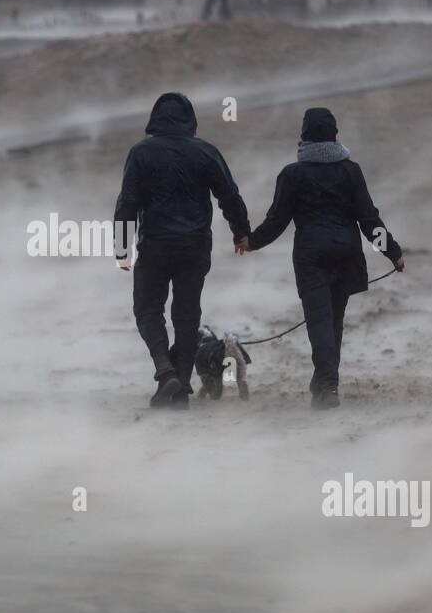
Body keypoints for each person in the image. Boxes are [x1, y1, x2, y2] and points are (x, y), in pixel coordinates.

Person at [241, 108, 404, 410]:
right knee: (334, 320)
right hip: (345, 253)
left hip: (311, 256)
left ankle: (327, 384)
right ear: (334, 134)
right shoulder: (350, 171)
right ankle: (326, 382)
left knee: (319, 320)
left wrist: (251, 242)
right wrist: (392, 252)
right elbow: (369, 219)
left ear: (304, 135)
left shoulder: (293, 174)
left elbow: (277, 220)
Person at [114, 93, 250, 408]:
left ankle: (165, 373)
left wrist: (122, 248)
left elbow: (127, 205)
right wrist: (240, 231)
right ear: (190, 120)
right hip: (195, 244)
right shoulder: (205, 152)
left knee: (148, 311)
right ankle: (182, 384)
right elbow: (229, 195)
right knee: (187, 315)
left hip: (156, 244)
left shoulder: (140, 154)